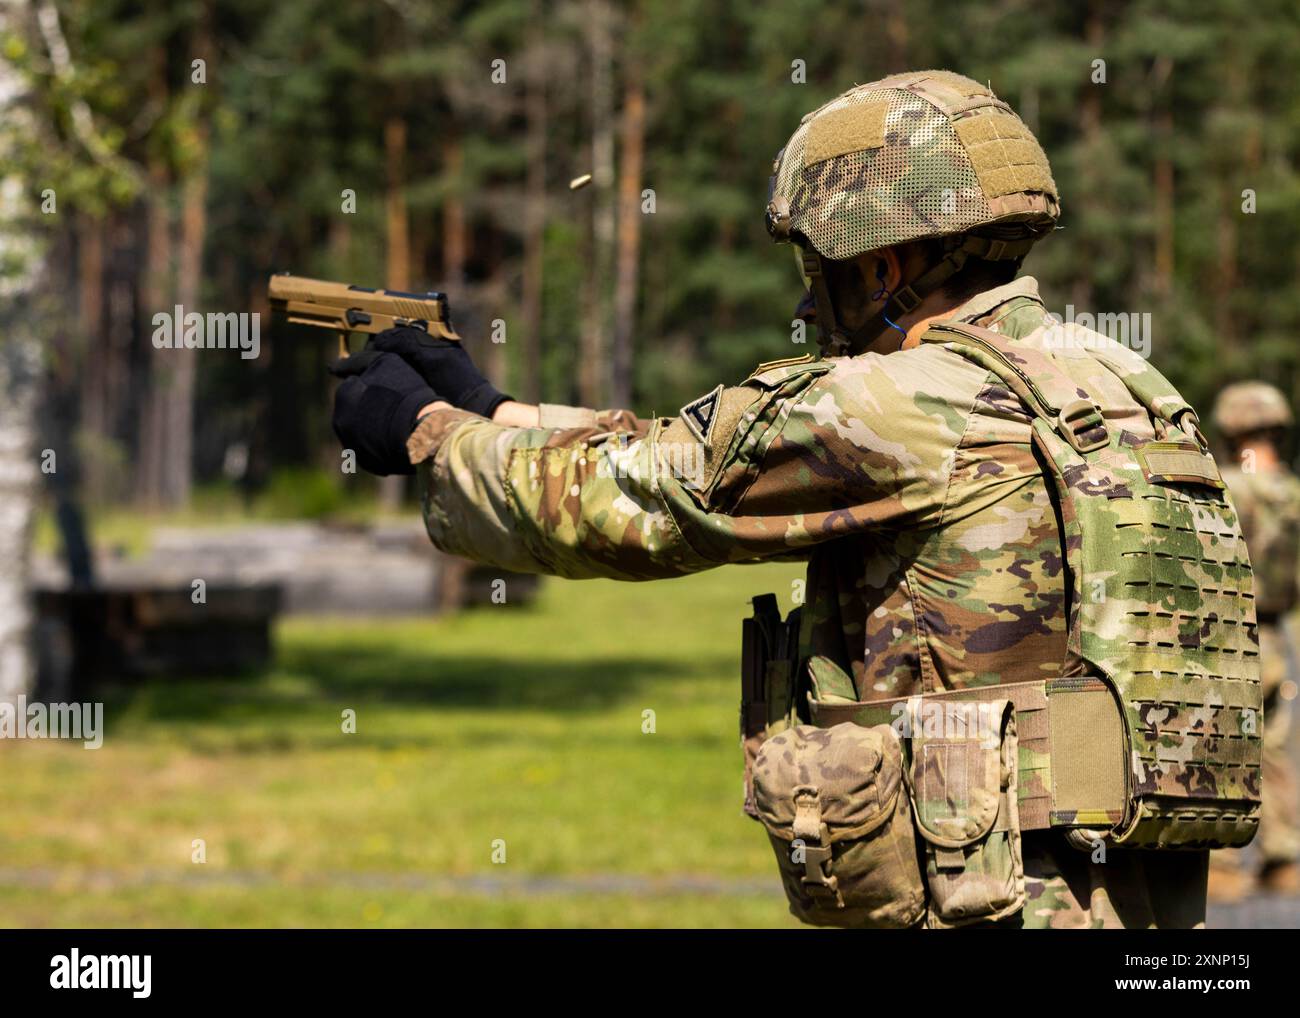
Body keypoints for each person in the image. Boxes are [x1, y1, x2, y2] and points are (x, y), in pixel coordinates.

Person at [331, 70, 1260, 928]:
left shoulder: (904, 400)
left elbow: (648, 496)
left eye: (819, 270)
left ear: (885, 267)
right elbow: (699, 455)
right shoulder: (1124, 383)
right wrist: (500, 411)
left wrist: (430, 435)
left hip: (988, 903)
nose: (812, 309)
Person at [1207, 382, 1300, 899]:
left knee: (1223, 745)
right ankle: (1283, 860)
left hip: (1230, 634)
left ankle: (1221, 866)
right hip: (1278, 637)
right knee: (1278, 749)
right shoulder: (1290, 490)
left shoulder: (1227, 488)